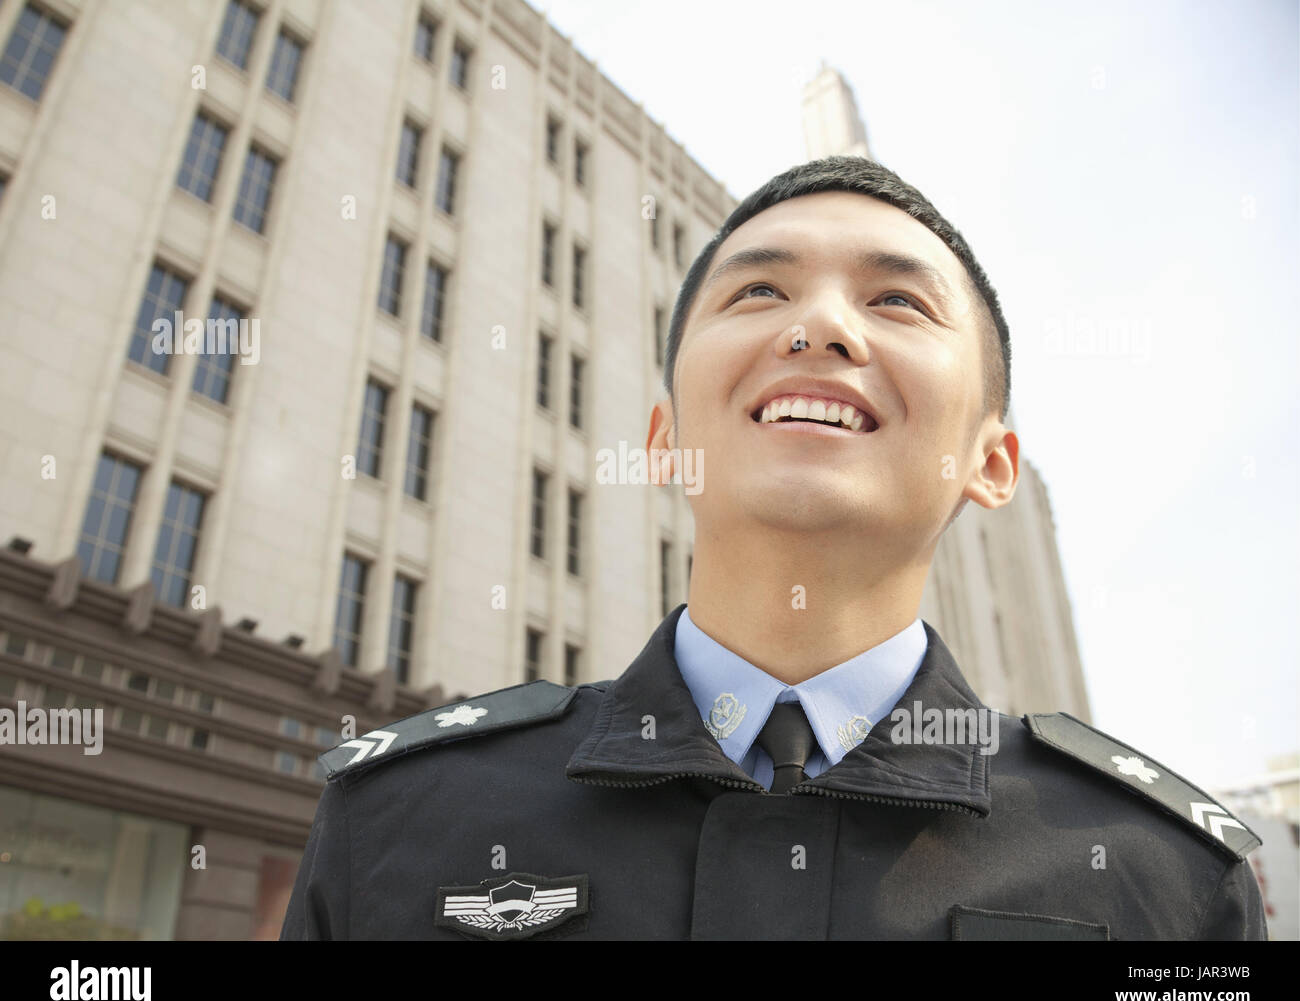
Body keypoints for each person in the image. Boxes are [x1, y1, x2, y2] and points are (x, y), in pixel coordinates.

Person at [279, 155, 1265, 941]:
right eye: (757, 291)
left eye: (896, 302)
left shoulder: (1160, 871)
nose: (821, 325)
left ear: (990, 462)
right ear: (663, 437)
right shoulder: (399, 817)